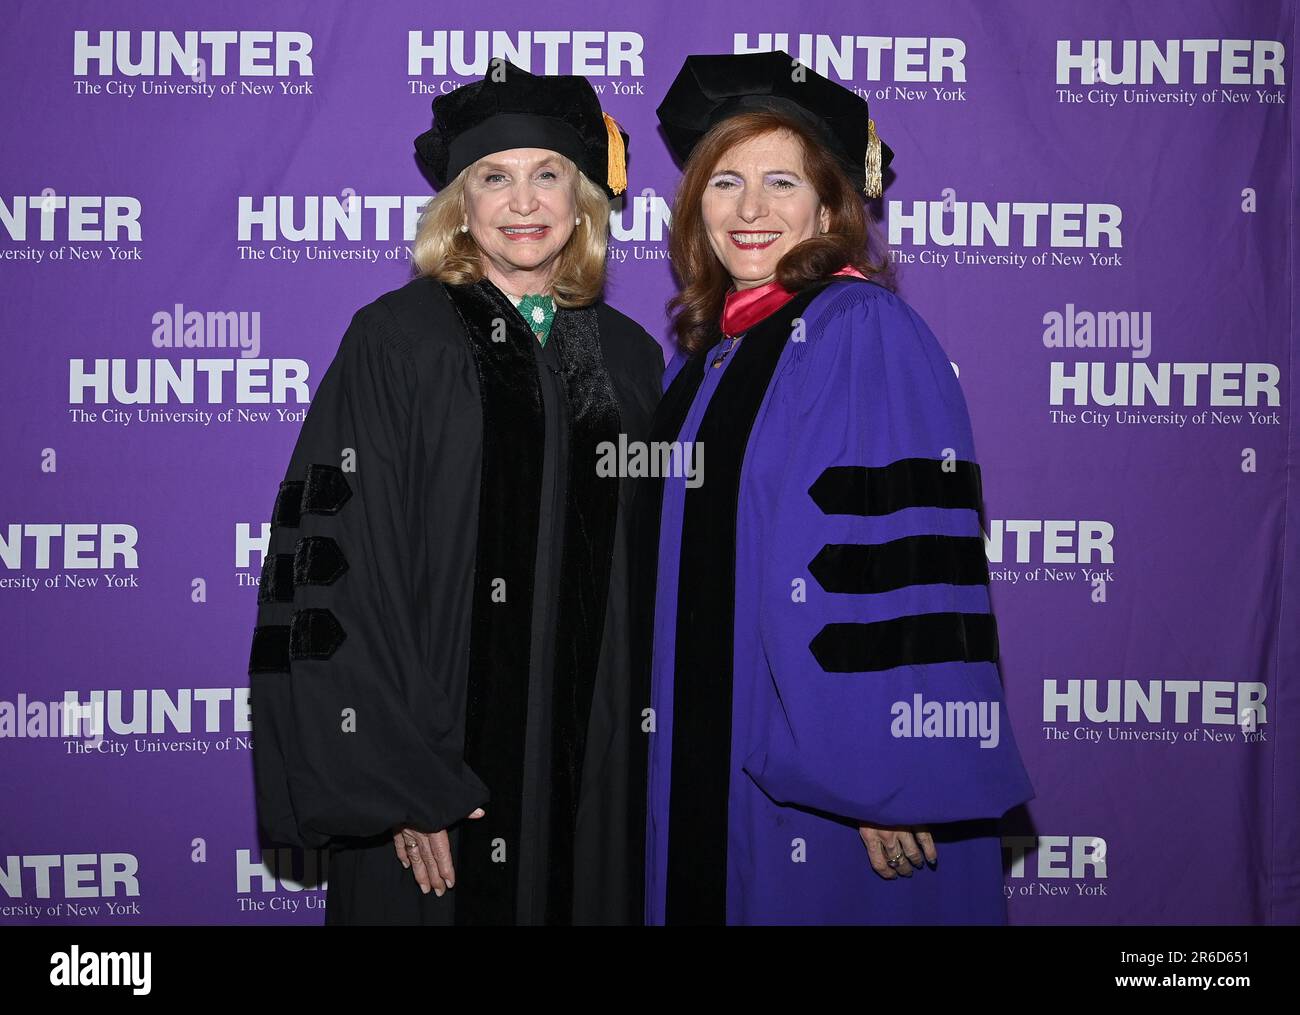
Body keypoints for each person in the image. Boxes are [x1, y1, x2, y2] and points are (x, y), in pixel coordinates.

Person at [247, 59, 663, 926]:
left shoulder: (627, 358)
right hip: (434, 782)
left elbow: (654, 584)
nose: (523, 201)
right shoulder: (395, 342)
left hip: (590, 785)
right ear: (459, 206)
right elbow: (337, 569)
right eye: (494, 177)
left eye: (548, 174)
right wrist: (398, 777)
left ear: (584, 200)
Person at [635, 51, 1036, 925]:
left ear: (829, 204)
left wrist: (884, 770)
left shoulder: (859, 332)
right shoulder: (704, 361)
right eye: (724, 181)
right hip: (716, 754)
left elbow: (887, 575)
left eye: (782, 181)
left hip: (821, 788)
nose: (750, 210)